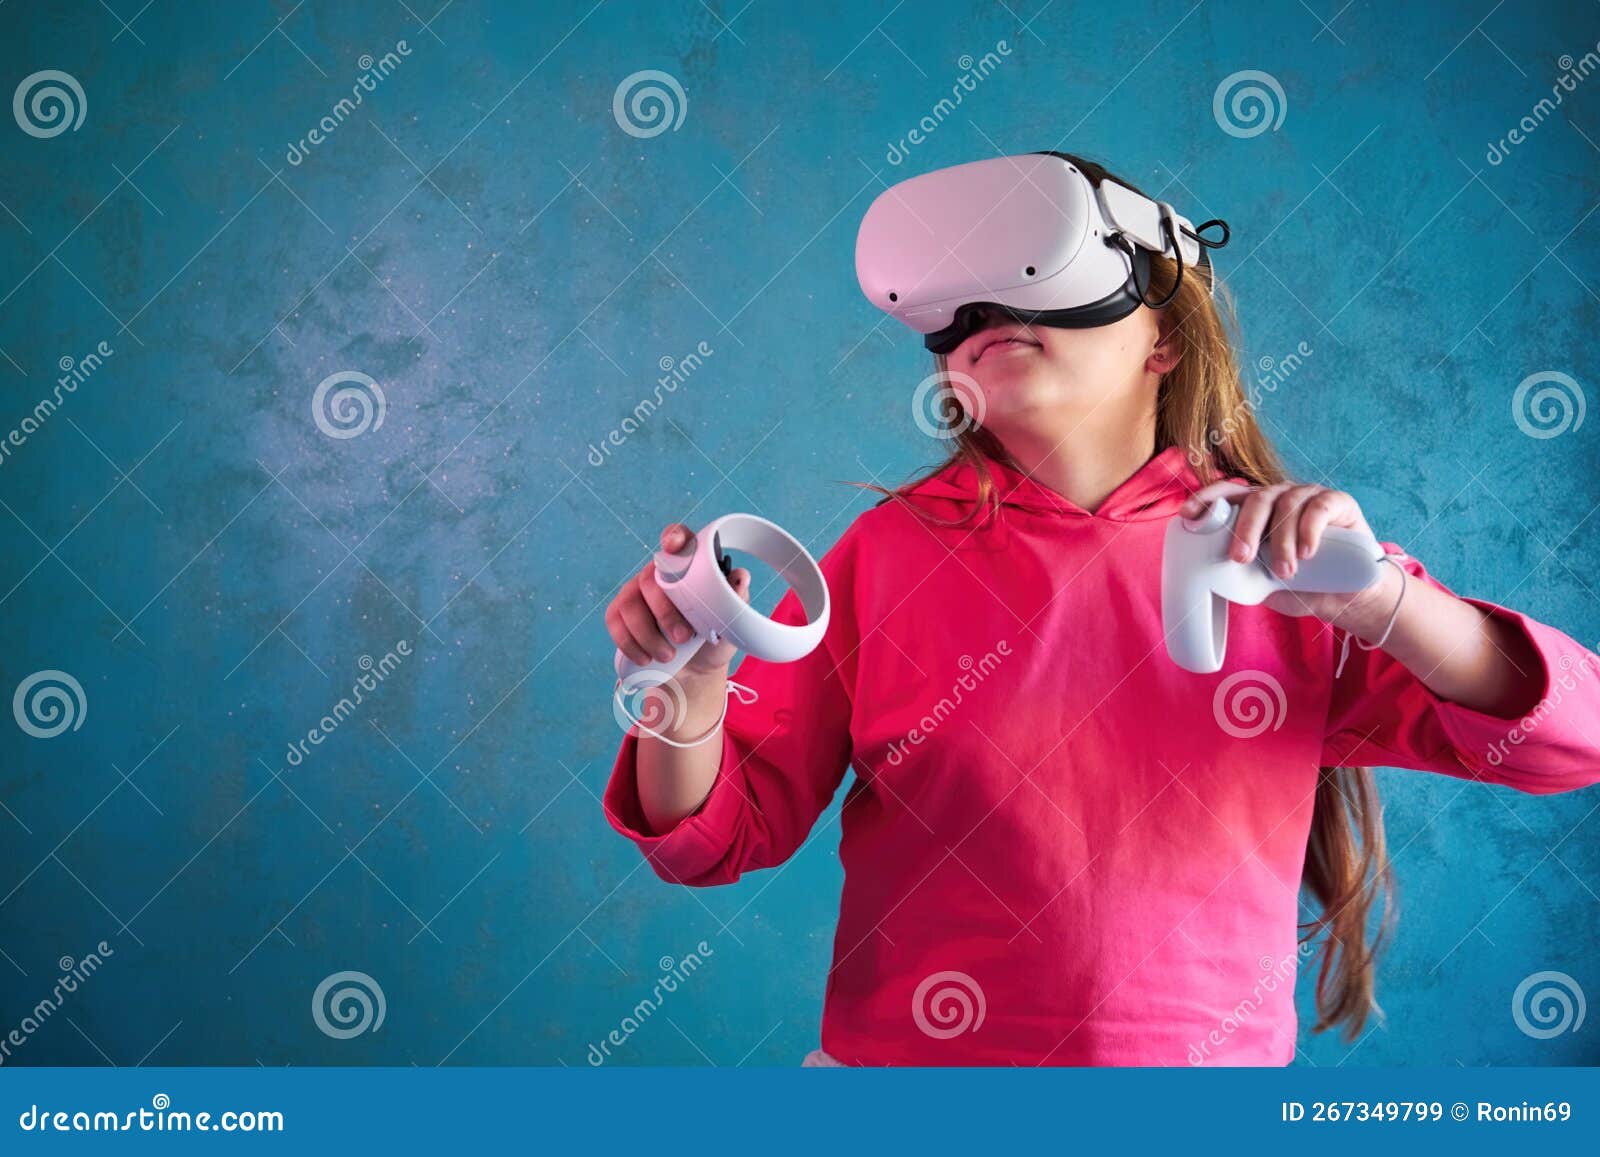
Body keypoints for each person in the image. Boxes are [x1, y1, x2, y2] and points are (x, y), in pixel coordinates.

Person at [600, 153, 1600, 1066]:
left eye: (1032, 280)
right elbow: (718, 837)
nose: (984, 312)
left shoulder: (1285, 561)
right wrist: (685, 698)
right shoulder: (883, 555)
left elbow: (1571, 738)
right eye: (955, 313)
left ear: (1163, 334)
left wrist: (1381, 602)